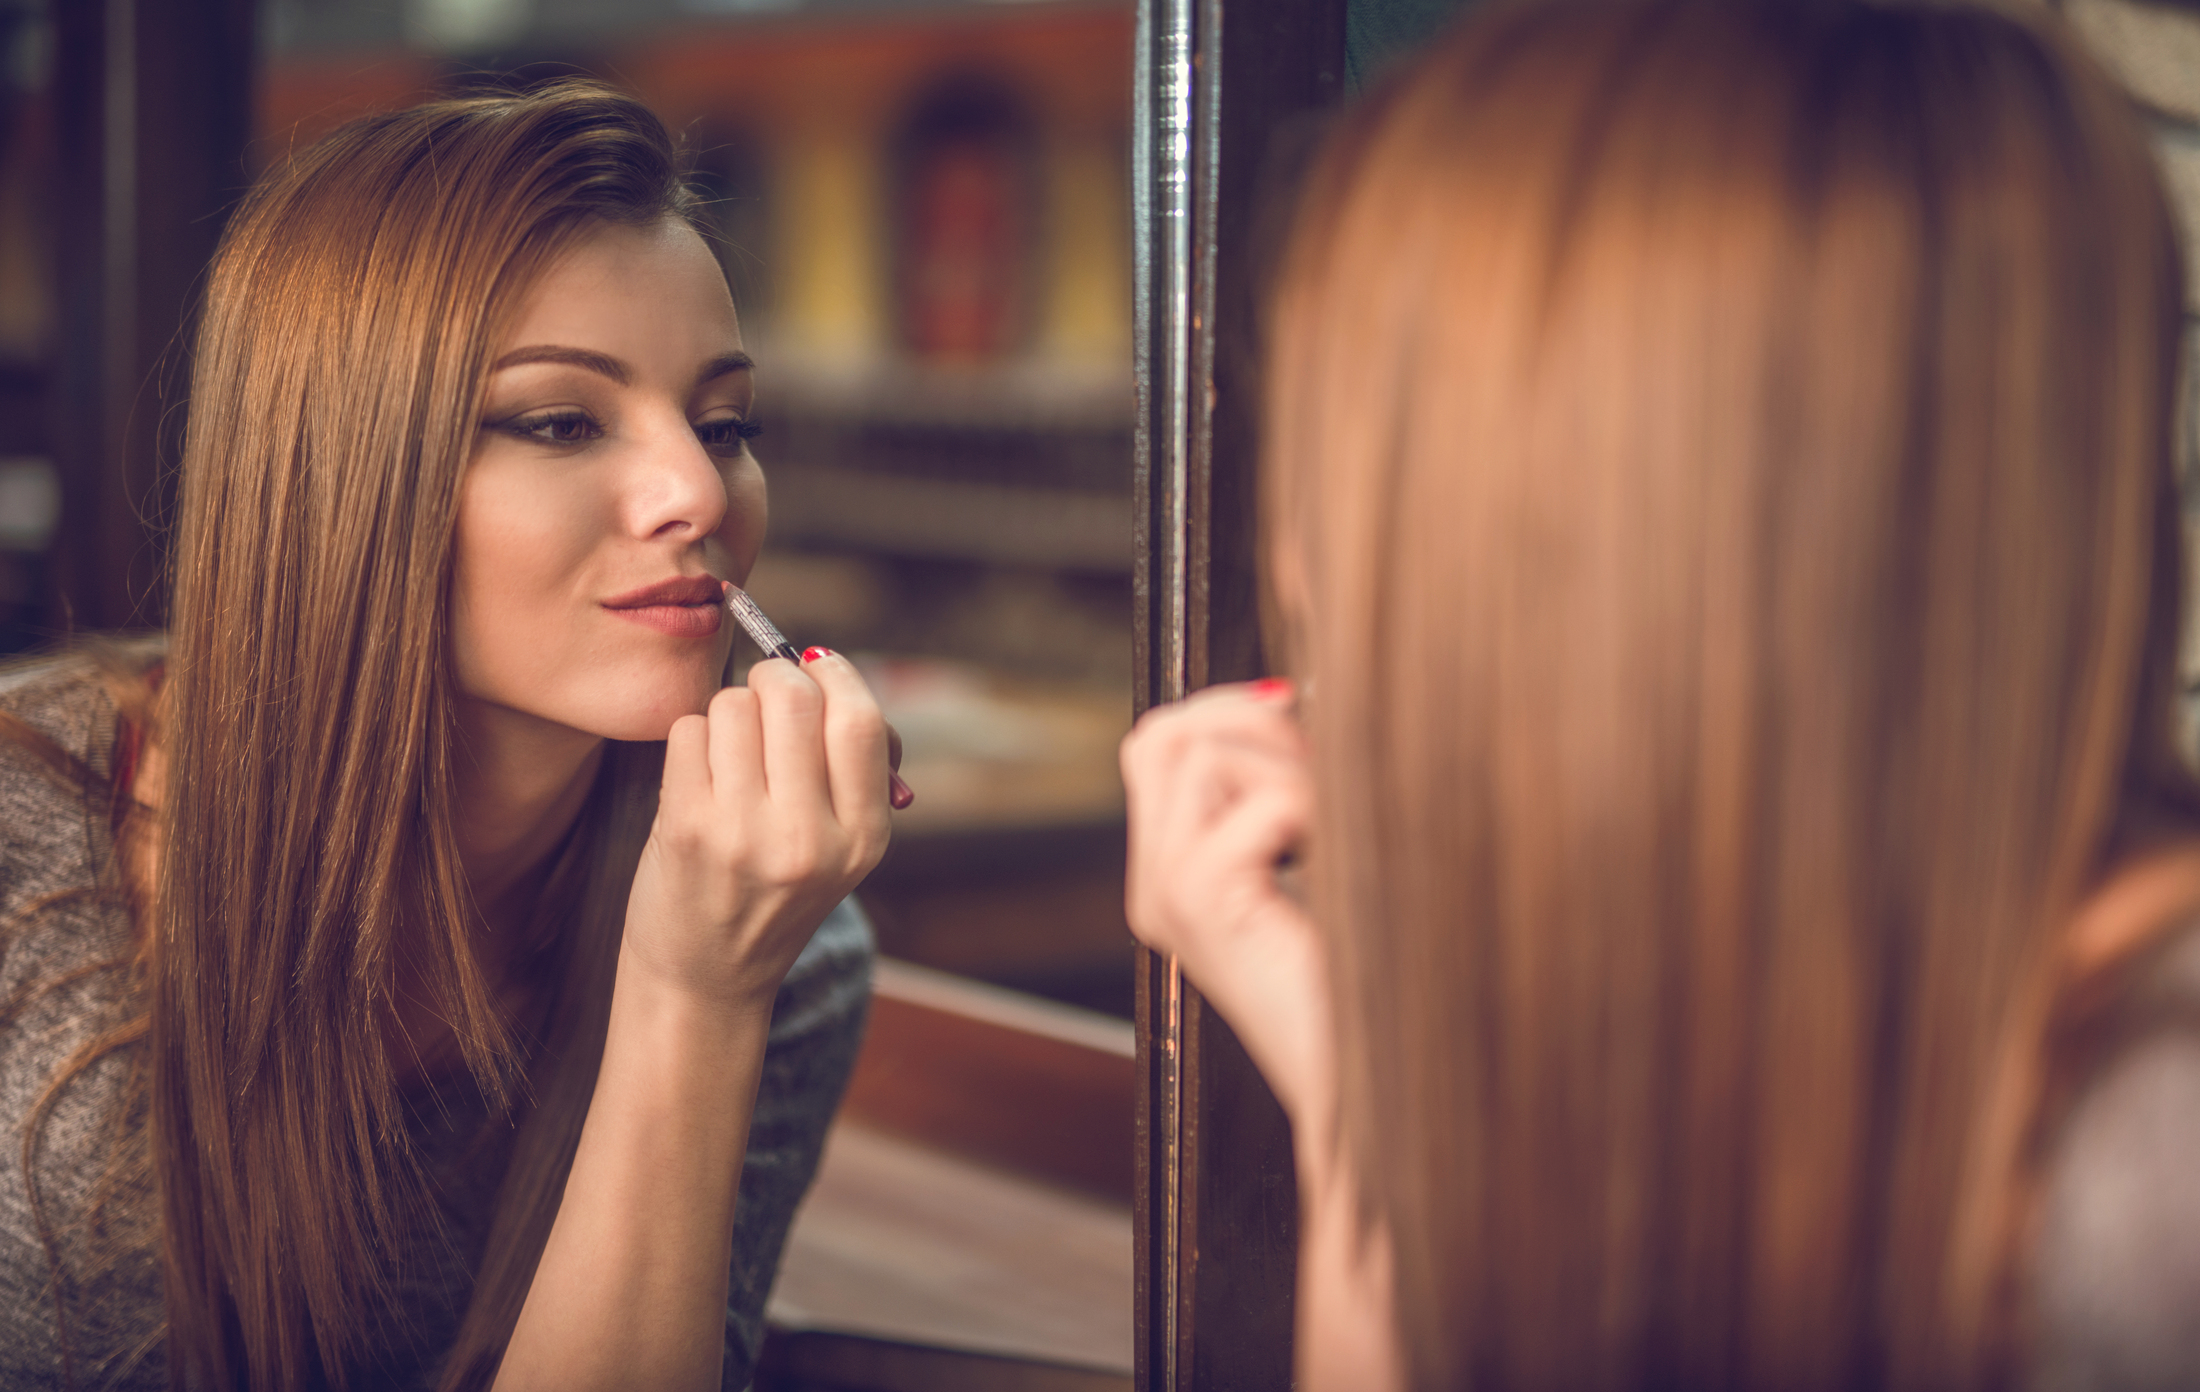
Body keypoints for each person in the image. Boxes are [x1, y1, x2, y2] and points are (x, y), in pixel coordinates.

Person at [1120, 0, 2200, 1388]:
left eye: (1364, 458)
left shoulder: (2149, 1157)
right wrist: (1361, 1109)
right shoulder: (1732, 984)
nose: (1305, 563)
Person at [0, 82, 897, 1391]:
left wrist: (694, 1001)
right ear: (335, 468)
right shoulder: (25, 839)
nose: (700, 491)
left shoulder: (781, 949)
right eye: (559, 420)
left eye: (724, 423)